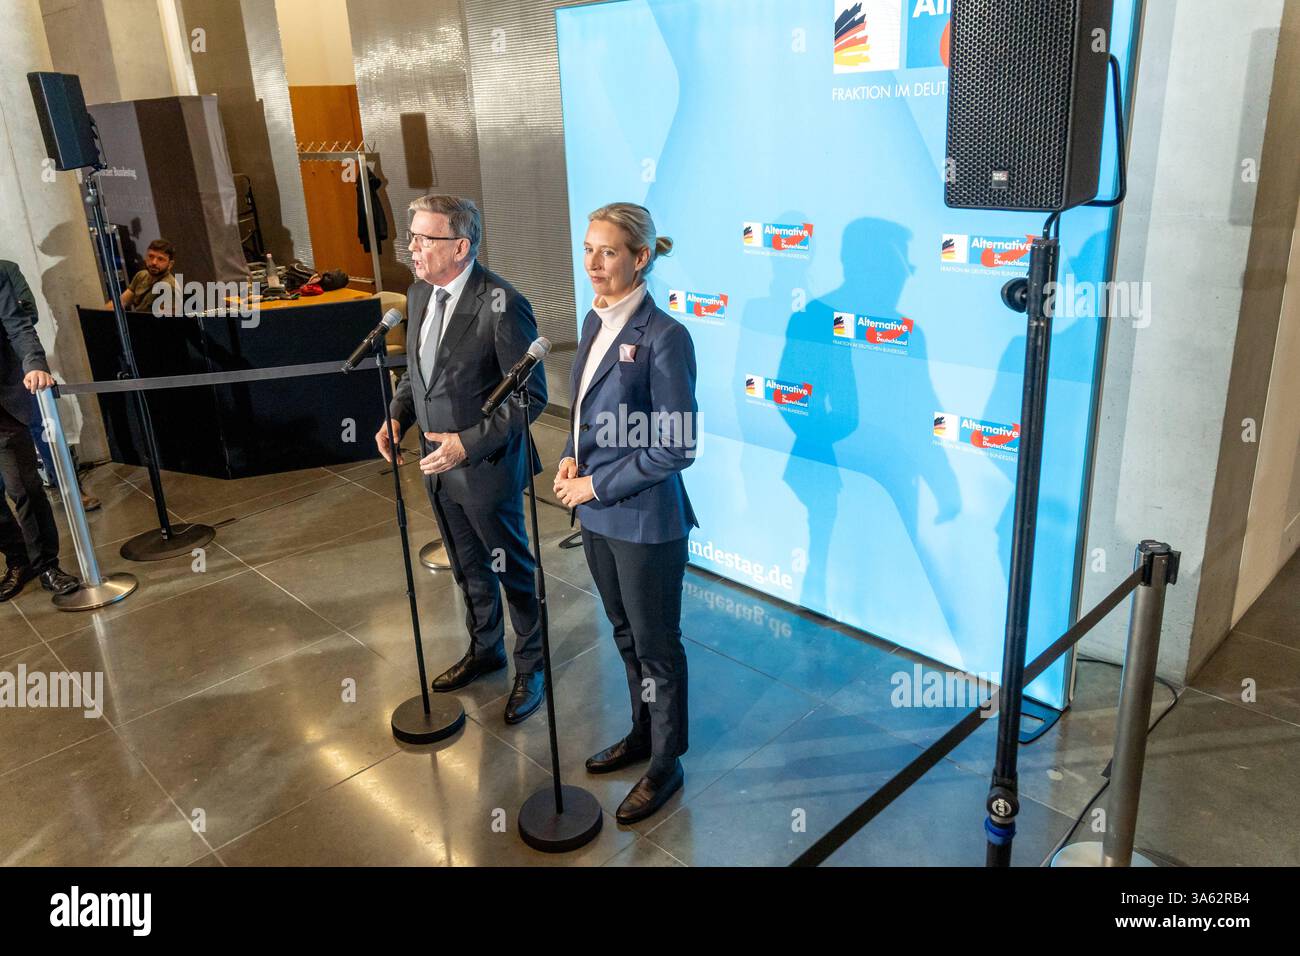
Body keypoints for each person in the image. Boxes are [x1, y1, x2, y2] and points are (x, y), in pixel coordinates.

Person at [375, 195, 549, 725]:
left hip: (486, 465)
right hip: (436, 461)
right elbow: (418, 370)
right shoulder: (418, 293)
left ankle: (531, 667)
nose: (412, 247)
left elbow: (529, 397)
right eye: (412, 236)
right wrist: (398, 415)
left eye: (424, 238)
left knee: (513, 570)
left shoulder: (502, 302)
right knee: (469, 564)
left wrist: (465, 444)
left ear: (461, 246)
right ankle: (486, 648)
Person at [553, 203, 698, 824]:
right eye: (588, 249)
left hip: (644, 524)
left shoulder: (665, 337)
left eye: (608, 252)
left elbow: (676, 445)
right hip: (599, 518)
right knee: (623, 634)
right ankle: (642, 735)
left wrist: (595, 487)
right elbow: (586, 411)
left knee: (657, 647)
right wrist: (567, 458)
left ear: (640, 258)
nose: (593, 263)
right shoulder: (595, 320)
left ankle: (666, 763)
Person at [0, 259, 80, 601]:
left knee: (25, 487)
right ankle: (18, 561)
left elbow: (18, 326)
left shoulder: (1, 272)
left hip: (4, 402)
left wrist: (34, 365)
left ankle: (46, 564)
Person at [117, 239, 177, 313]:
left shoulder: (169, 287)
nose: (154, 262)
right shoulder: (141, 276)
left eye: (160, 259)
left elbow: (162, 322)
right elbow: (120, 303)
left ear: (170, 264)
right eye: (151, 256)